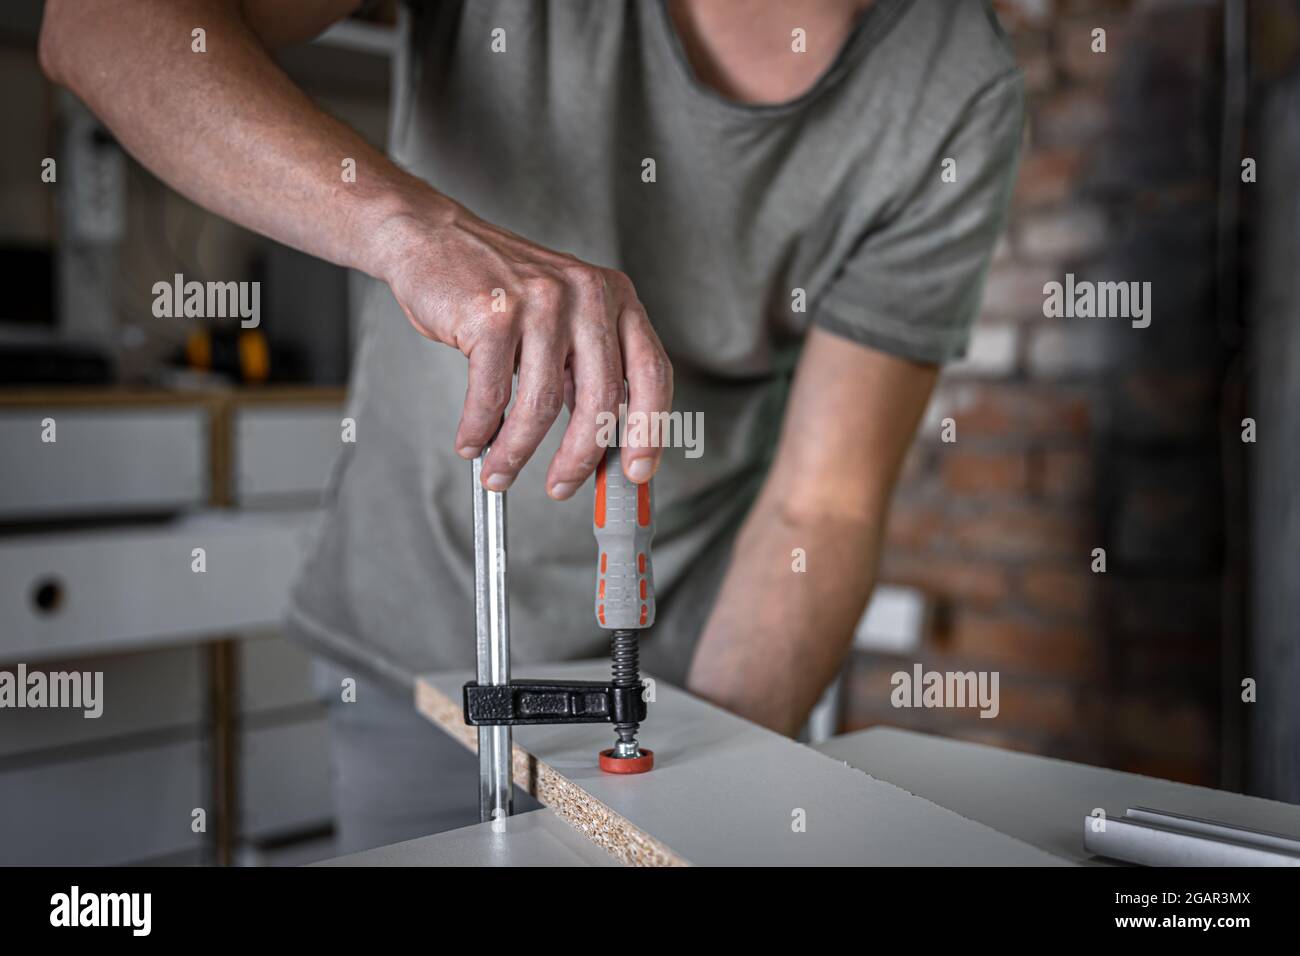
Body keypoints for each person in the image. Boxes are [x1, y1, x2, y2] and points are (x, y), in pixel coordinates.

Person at [39, 0, 1024, 853]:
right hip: (414, 640)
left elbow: (824, 503)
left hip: (693, 682)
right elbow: (100, 24)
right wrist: (404, 227)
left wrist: (694, 783)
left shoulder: (954, 90)